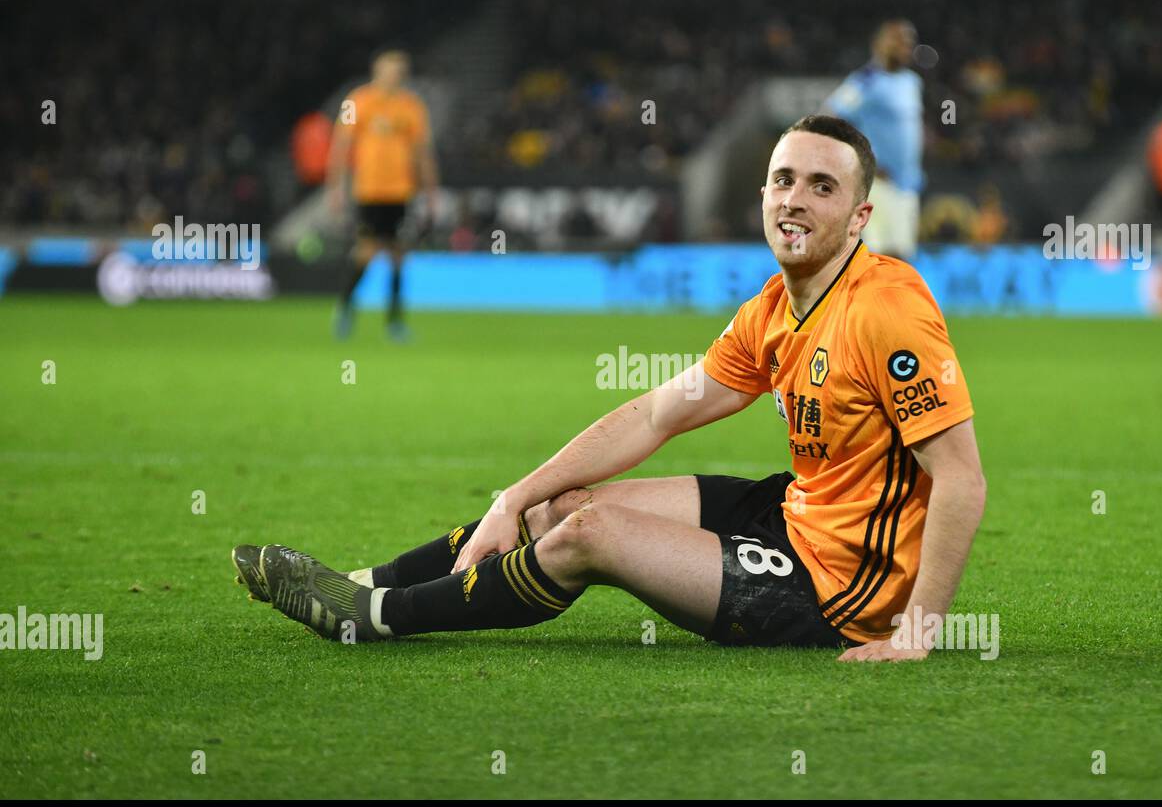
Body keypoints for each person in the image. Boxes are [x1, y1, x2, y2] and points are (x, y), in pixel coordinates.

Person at [233, 115, 985, 663]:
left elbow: (961, 480)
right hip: (793, 515)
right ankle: (357, 579)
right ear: (763, 192)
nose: (795, 199)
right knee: (560, 505)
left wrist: (915, 632)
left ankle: (369, 615)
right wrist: (513, 496)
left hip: (845, 588)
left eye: (822, 187)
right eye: (784, 179)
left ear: (859, 218)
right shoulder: (772, 308)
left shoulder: (887, 308)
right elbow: (657, 414)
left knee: (590, 535)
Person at [326, 49, 438, 341]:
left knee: (399, 256)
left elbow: (423, 152)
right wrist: (335, 188)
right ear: (376, 71)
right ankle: (345, 308)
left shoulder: (412, 107)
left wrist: (430, 193)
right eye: (389, 70)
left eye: (399, 72)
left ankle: (395, 322)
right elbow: (340, 145)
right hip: (370, 190)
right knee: (366, 252)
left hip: (401, 191)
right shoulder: (357, 101)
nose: (393, 76)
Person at [822, 20, 924, 260]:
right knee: (882, 258)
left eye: (909, 42)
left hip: (908, 182)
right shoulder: (867, 81)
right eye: (899, 40)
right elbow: (831, 116)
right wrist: (864, 162)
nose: (905, 47)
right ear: (880, 44)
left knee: (903, 258)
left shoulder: (911, 82)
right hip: (881, 183)